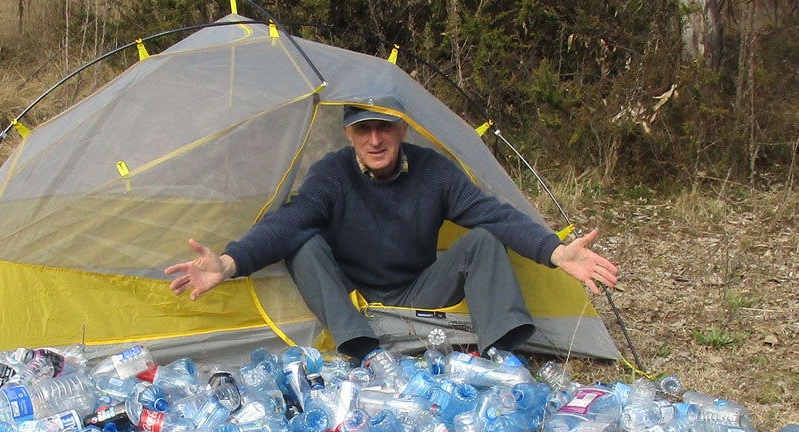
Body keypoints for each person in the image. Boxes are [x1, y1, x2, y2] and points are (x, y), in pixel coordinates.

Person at [164, 97, 619, 361]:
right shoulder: (332, 174)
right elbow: (287, 222)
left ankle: (501, 356)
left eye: (384, 127)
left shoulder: (434, 172)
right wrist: (228, 262)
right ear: (348, 135)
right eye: (364, 130)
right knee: (301, 241)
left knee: (481, 238)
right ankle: (364, 352)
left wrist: (555, 251)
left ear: (402, 130)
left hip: (417, 293)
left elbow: (490, 213)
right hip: (353, 299)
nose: (375, 140)